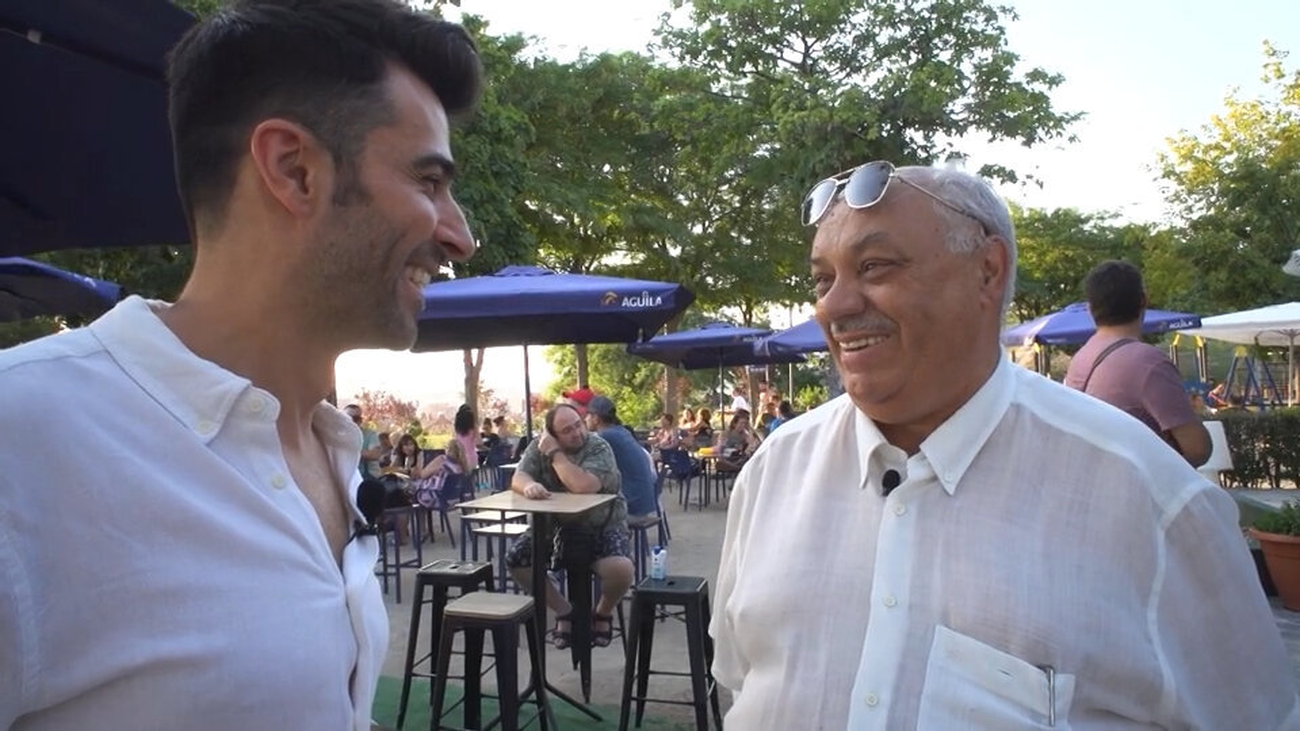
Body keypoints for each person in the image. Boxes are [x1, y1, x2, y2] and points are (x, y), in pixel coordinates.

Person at [0, 2, 481, 728]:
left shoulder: (333, 449)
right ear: (295, 171)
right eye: (429, 181)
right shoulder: (23, 441)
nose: (460, 235)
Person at [710, 161, 1298, 729]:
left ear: (987, 271)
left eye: (876, 267)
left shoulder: (1150, 501)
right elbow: (740, 678)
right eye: (823, 278)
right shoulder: (774, 474)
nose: (834, 306)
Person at [507, 404, 633, 649]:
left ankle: (602, 612)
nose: (577, 432)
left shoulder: (598, 446)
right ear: (552, 435)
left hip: (601, 526)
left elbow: (583, 486)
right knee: (517, 561)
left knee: (622, 569)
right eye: (567, 430)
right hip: (552, 529)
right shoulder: (538, 446)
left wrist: (556, 454)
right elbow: (518, 477)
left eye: (578, 424)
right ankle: (565, 612)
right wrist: (528, 486)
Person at [1063, 260, 1212, 467]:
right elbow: (1198, 449)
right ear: (1143, 300)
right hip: (1142, 491)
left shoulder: (1080, 359)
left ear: (1090, 309)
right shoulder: (1149, 363)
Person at [585, 396, 658, 522]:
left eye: (587, 415)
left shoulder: (605, 437)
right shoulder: (621, 431)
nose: (585, 419)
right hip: (643, 505)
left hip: (631, 510)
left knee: (581, 519)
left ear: (596, 418)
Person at [345, 404, 387, 479]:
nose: (352, 421)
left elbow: (375, 454)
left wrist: (350, 452)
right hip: (348, 477)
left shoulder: (370, 434)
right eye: (347, 418)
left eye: (356, 418)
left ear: (360, 420)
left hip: (368, 477)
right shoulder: (339, 436)